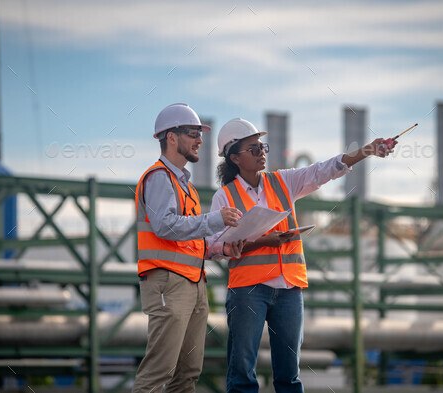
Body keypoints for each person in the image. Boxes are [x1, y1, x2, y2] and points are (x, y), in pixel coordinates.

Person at [206, 118, 397, 393]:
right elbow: (211, 247)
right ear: (234, 157)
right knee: (242, 374)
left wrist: (366, 150)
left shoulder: (284, 181)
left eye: (262, 147)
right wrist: (258, 242)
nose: (262, 153)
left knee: (289, 376)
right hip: (248, 291)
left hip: (289, 289)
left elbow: (325, 170)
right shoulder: (224, 197)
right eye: (253, 149)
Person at [132, 104, 244, 393]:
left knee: (188, 373)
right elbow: (165, 226)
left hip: (193, 282)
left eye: (200, 133)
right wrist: (215, 220)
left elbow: (190, 238)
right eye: (193, 133)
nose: (199, 140)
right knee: (160, 369)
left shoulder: (186, 187)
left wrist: (221, 250)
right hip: (169, 282)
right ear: (171, 137)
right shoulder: (159, 177)